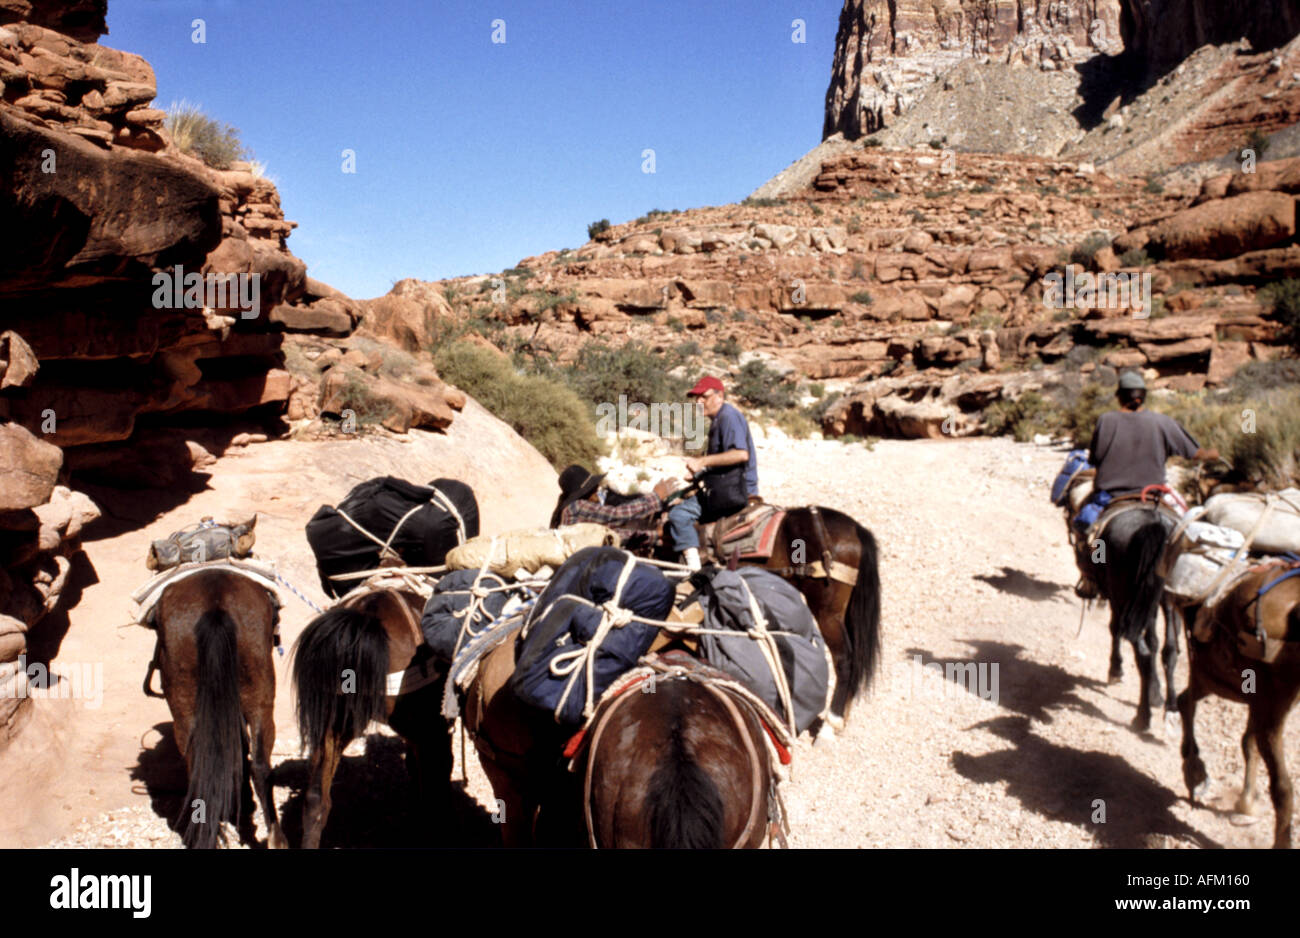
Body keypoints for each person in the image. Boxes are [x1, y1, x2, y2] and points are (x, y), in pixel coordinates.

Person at [1073, 370, 1219, 597]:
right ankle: (1176, 589)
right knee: (1185, 529)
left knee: (1089, 531)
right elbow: (1195, 453)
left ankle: (1094, 576)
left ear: (1119, 396)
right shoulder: (1163, 422)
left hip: (1111, 496)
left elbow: (1095, 458)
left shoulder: (1106, 420)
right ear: (1144, 396)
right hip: (1154, 496)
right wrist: (1214, 454)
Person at [665, 375, 758, 571]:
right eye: (696, 398)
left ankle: (693, 570)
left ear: (719, 396)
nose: (698, 402)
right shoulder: (720, 419)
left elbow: (741, 454)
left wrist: (702, 462)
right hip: (725, 484)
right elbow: (723, 461)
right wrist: (700, 473)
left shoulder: (728, 417)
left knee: (678, 515)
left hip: (734, 490)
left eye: (703, 397)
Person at [550, 464, 676, 540]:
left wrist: (654, 536)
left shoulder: (575, 511)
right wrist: (655, 496)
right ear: (586, 493)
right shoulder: (578, 507)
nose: (598, 490)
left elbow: (614, 535)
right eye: (593, 488)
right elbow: (617, 514)